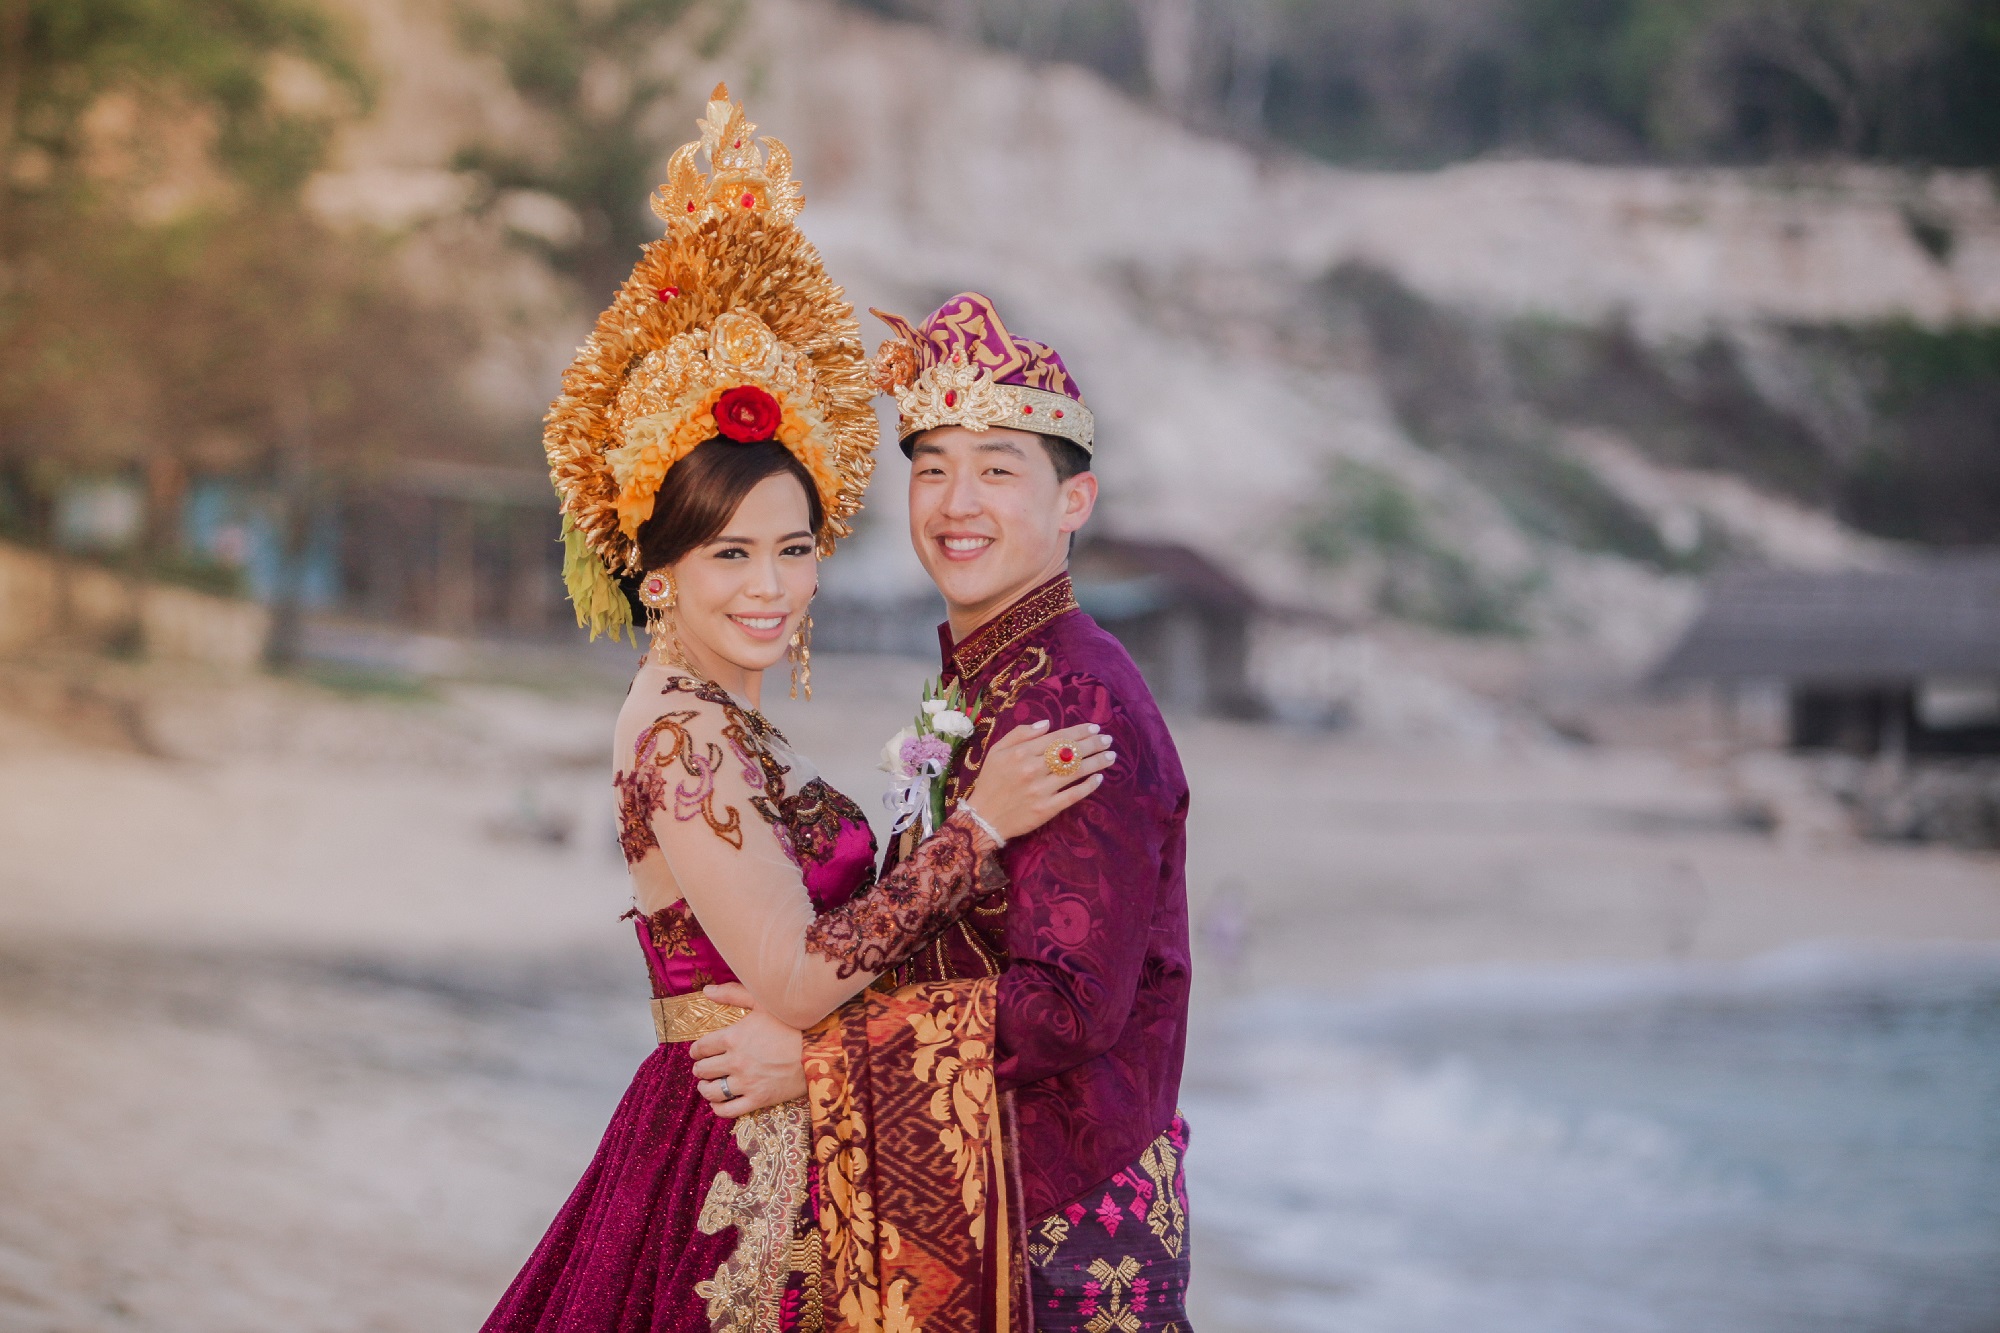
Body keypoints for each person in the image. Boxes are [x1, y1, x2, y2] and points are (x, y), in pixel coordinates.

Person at [483, 90, 1114, 1333]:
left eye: (791, 548)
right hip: (732, 1159)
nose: (769, 588)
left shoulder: (723, 716)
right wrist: (974, 831)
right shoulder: (676, 730)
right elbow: (786, 968)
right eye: (728, 557)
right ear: (656, 575)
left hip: (790, 1122)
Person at [700, 294, 1195, 1332]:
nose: (955, 501)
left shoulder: (1073, 700)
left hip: (1059, 1227)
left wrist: (820, 1063)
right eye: (931, 469)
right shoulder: (979, 684)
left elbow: (1066, 1008)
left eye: (998, 469)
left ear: (1075, 500)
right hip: (968, 1194)